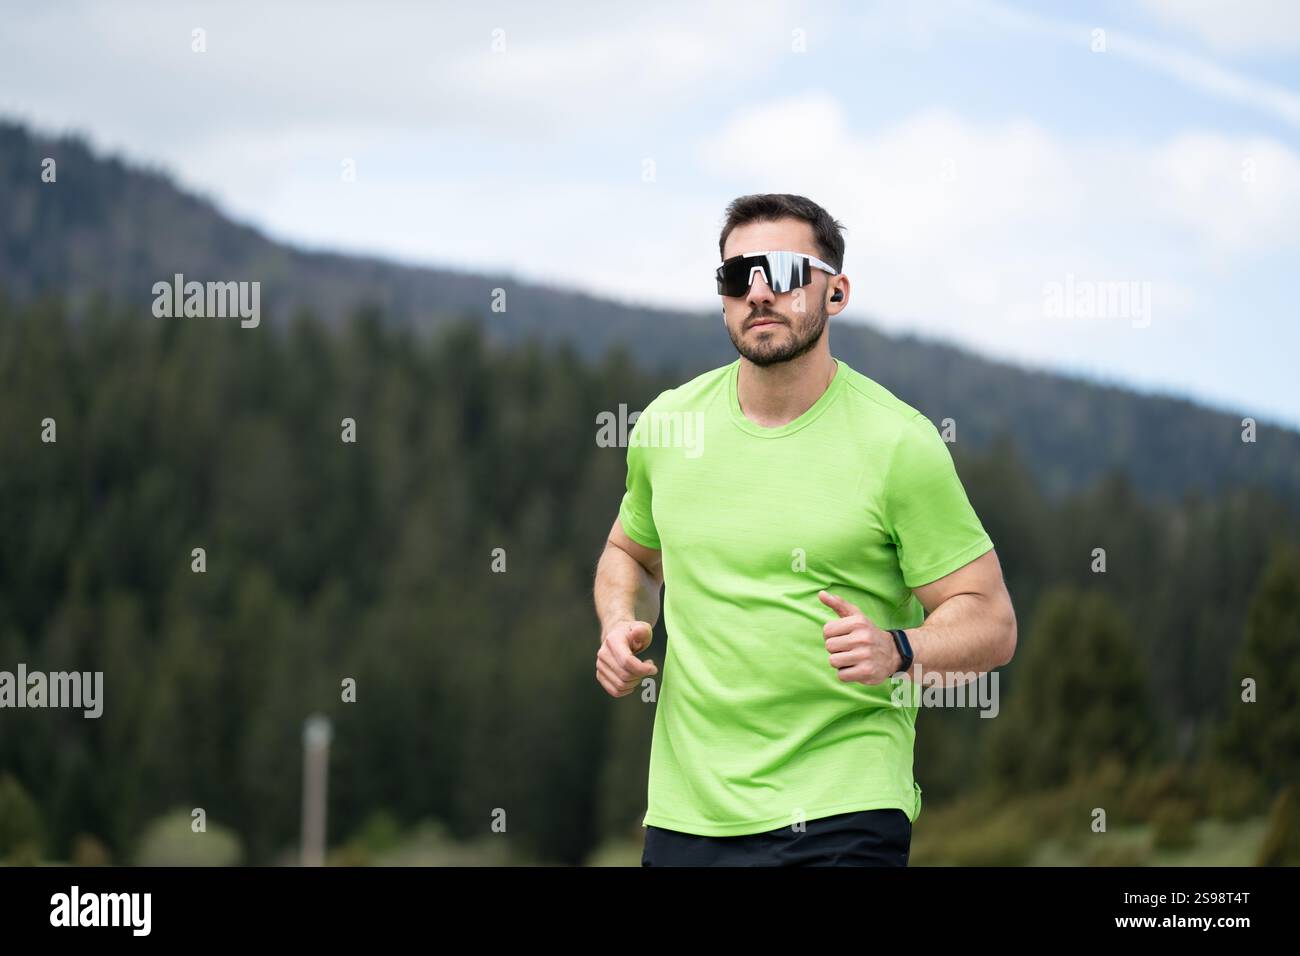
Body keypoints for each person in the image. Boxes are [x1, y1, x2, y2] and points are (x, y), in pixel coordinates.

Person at [592, 193, 1017, 867]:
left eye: (785, 271)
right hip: (686, 817)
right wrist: (619, 621)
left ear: (837, 291)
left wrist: (899, 650)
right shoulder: (669, 426)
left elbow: (991, 623)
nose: (759, 292)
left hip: (844, 812)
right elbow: (633, 556)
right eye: (738, 276)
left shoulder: (899, 444)